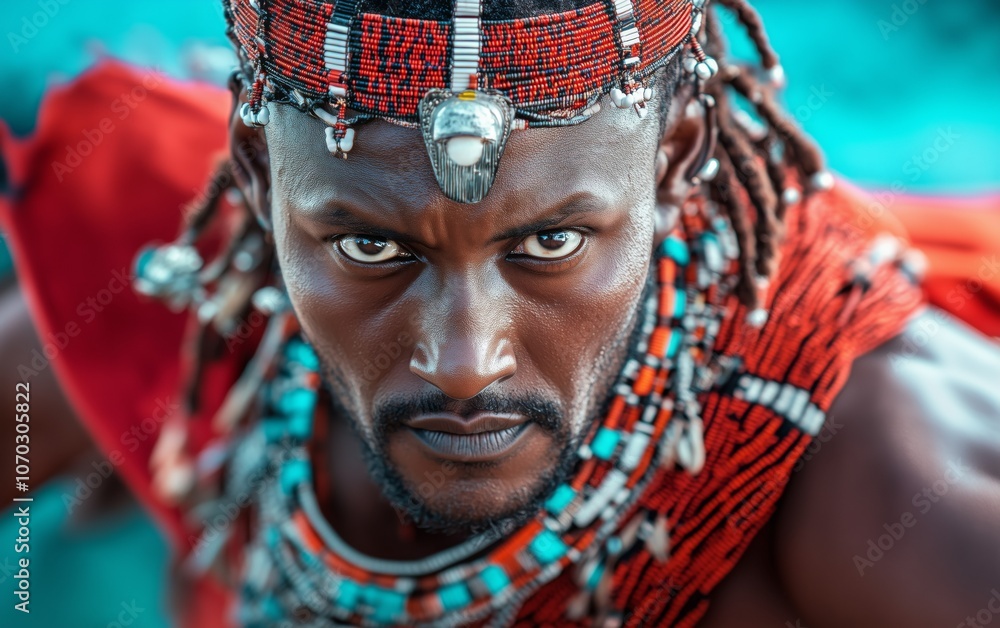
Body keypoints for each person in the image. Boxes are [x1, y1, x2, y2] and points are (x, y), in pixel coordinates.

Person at [1, 0, 999, 626]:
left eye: (550, 244)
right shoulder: (185, 290)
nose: (463, 360)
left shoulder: (893, 499)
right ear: (259, 178)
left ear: (677, 158)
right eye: (371, 249)